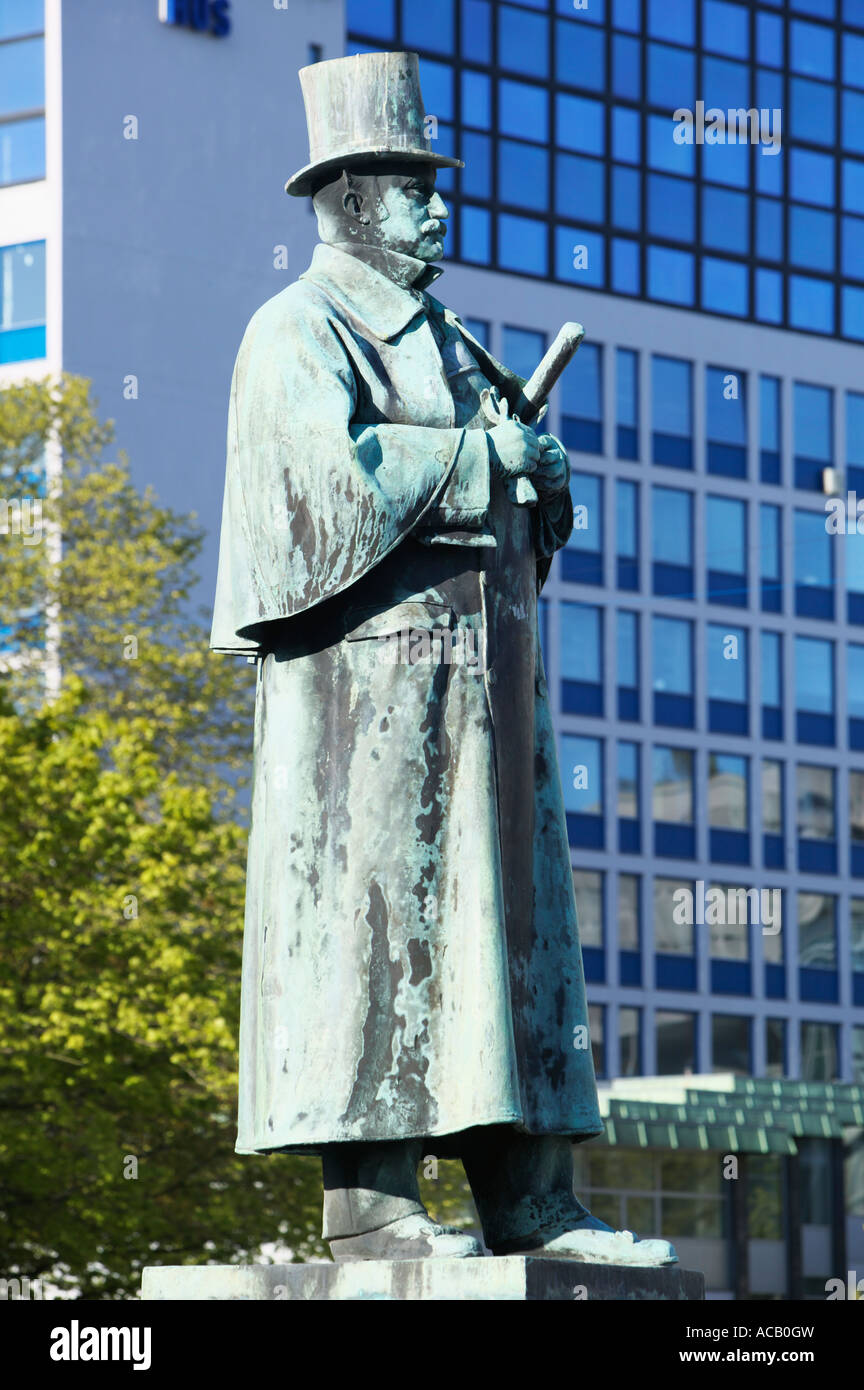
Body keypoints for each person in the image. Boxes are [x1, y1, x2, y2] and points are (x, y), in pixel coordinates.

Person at [211, 51, 676, 1267]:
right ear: (355, 197)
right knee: (381, 940)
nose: (439, 207)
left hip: (485, 704)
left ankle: (531, 1196)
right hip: (363, 711)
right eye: (418, 186)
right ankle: (368, 1204)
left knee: (512, 941)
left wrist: (544, 481)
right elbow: (315, 489)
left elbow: (509, 489)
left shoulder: (454, 338)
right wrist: (480, 465)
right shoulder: (295, 329)